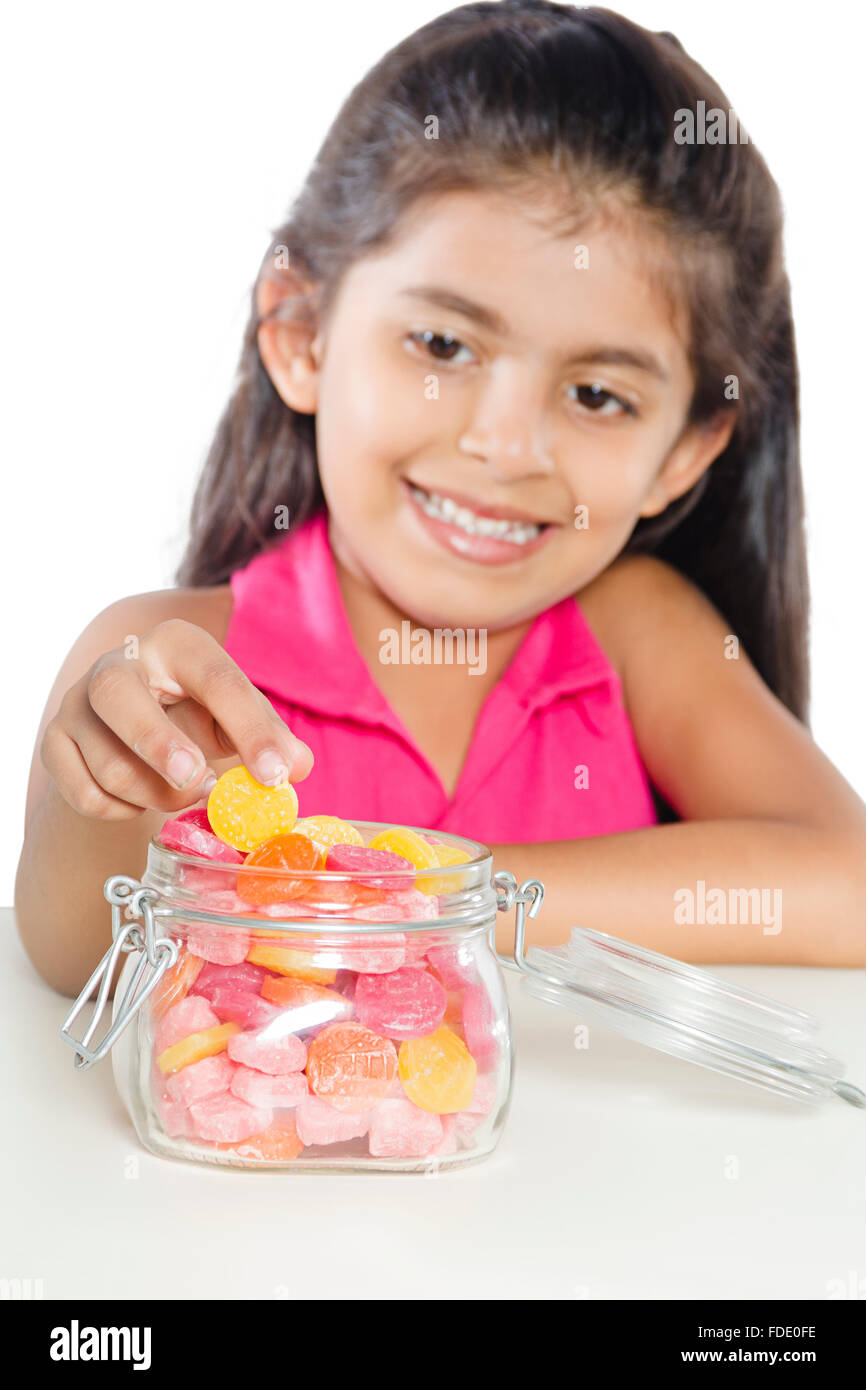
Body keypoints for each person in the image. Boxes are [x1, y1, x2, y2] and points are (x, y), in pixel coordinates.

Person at [16, 2, 866, 995]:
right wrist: (103, 797)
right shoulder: (179, 661)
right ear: (301, 333)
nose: (502, 445)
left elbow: (843, 882)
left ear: (682, 451)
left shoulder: (634, 636)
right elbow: (86, 959)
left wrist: (418, 898)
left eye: (595, 394)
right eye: (442, 346)